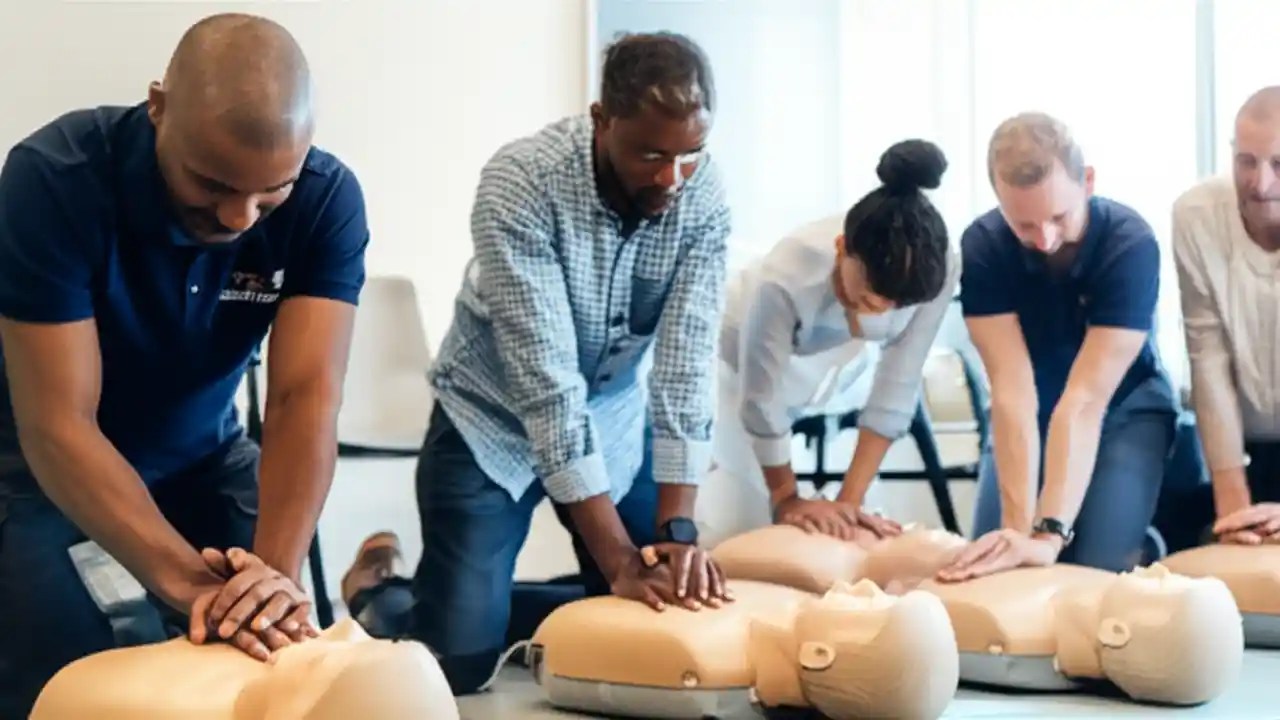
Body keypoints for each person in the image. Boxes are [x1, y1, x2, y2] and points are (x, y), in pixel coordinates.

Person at [342, 31, 734, 695]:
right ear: (601, 121)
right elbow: (548, 388)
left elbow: (687, 362)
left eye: (690, 154)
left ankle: (524, 606)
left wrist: (679, 532)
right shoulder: (520, 183)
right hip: (489, 423)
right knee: (456, 665)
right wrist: (618, 561)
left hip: (611, 418)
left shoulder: (701, 191)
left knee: (660, 610)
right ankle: (378, 593)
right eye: (651, 154)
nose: (673, 177)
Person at [0, 13, 369, 716]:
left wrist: (272, 580)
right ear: (158, 107)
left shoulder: (326, 199)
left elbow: (303, 399)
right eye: (213, 184)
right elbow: (58, 425)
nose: (241, 218)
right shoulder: (53, 179)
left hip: (203, 454)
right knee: (72, 669)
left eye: (272, 192)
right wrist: (190, 586)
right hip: (36, 465)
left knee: (298, 657)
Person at [937, 112, 1178, 583]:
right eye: (1024, 224)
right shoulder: (984, 247)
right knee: (996, 566)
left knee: (1089, 569)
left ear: (1087, 182)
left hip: (1125, 409)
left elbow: (1086, 400)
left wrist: (1047, 534)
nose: (1044, 239)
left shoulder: (1130, 244)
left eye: (1058, 217)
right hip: (1034, 411)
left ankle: (1136, 545)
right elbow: (1011, 391)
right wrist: (1015, 535)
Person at [700, 139, 957, 546]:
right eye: (873, 298)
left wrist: (849, 503)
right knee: (738, 530)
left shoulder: (940, 265)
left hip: (832, 371)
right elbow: (761, 399)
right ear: (841, 250)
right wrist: (787, 498)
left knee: (849, 534)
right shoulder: (785, 276)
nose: (884, 312)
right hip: (738, 371)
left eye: (898, 305)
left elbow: (897, 383)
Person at [1174, 86, 1280, 545]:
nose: (1261, 184)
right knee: (1186, 529)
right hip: (1248, 440)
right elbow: (1208, 360)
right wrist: (1233, 505)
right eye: (1247, 162)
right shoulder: (1196, 215)